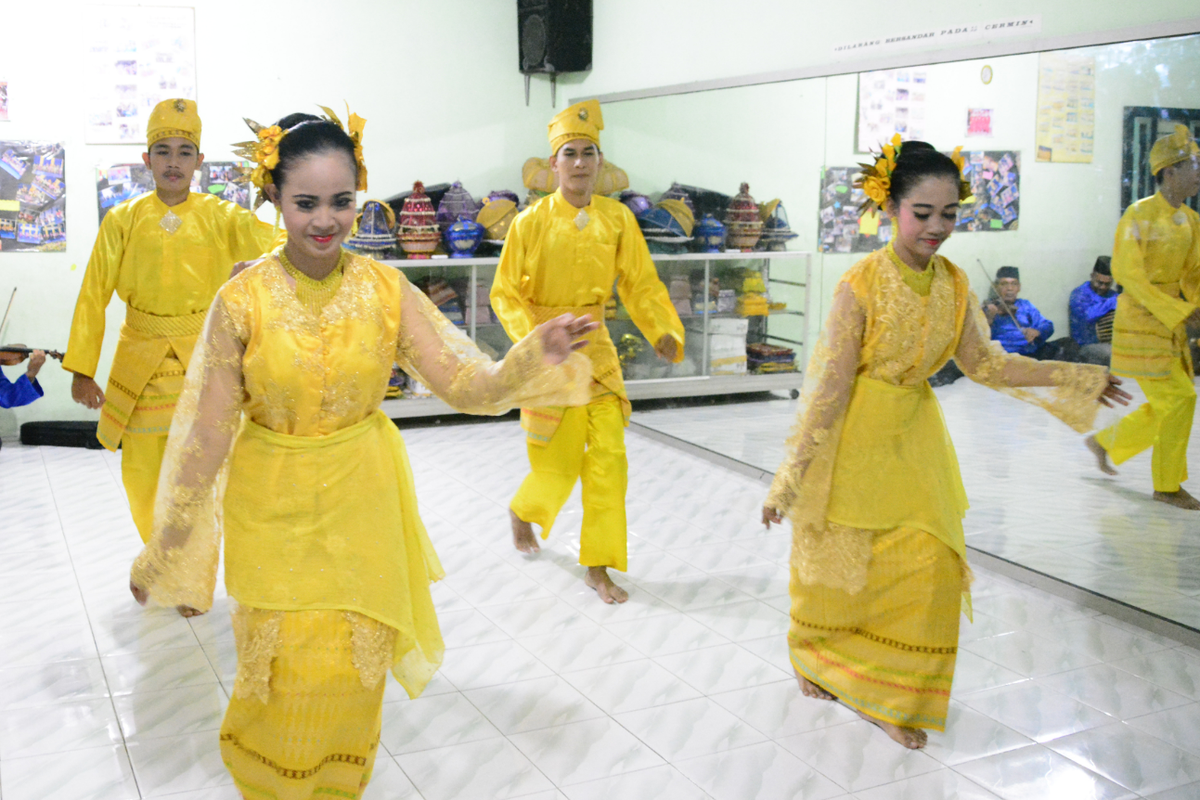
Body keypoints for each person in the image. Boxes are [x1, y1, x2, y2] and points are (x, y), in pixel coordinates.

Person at [128, 109, 594, 800]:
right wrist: (165, 549)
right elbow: (207, 437)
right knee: (283, 669)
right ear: (275, 201)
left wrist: (531, 358)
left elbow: (465, 383)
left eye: (342, 202)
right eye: (305, 203)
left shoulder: (385, 289)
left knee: (353, 666)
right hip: (270, 502)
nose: (325, 220)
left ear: (360, 197)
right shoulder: (242, 299)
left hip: (362, 498)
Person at [761, 138, 1128, 750]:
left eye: (950, 213)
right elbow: (827, 386)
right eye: (922, 213)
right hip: (856, 439)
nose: (937, 227)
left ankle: (895, 697)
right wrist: (790, 476)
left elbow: (985, 364)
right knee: (845, 564)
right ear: (891, 209)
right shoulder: (860, 284)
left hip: (917, 437)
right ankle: (821, 660)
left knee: (930, 567)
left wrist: (1075, 374)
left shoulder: (955, 284)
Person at [63, 98, 283, 547]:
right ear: (146, 160)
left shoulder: (222, 216)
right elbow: (93, 293)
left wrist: (297, 201)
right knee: (142, 471)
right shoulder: (122, 220)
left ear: (199, 161)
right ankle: (160, 557)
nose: (173, 162)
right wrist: (82, 370)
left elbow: (280, 243)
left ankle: (193, 567)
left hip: (205, 358)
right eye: (163, 150)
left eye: (185, 151)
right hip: (139, 364)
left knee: (202, 465)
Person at [491, 99, 685, 604]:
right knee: (556, 463)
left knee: (609, 461)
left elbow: (642, 284)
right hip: (550, 355)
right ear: (553, 165)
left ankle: (598, 565)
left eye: (589, 153)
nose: (579, 163)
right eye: (570, 153)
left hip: (597, 355)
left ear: (600, 162)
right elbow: (505, 293)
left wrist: (663, 330)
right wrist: (533, 344)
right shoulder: (528, 223)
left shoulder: (618, 220)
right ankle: (524, 510)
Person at [1086, 124, 1200, 510]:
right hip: (1141, 321)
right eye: (1193, 165)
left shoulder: (1191, 220)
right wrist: (1181, 310)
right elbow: (1128, 275)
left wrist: (1194, 307)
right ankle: (1166, 485)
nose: (1198, 173)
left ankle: (1106, 442)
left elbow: (1195, 273)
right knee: (1181, 398)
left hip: (1171, 323)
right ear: (1169, 172)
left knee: (1173, 402)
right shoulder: (1138, 215)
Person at [983, 266, 1058, 358]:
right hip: (1003, 355)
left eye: (1014, 284)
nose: (1009, 288)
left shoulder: (1025, 305)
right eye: (1004, 284)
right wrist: (989, 319)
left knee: (1067, 344)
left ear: (1019, 287)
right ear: (996, 287)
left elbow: (1048, 325)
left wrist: (1037, 332)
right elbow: (978, 337)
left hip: (1029, 353)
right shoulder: (989, 308)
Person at [1068, 256, 1119, 365]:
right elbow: (1088, 316)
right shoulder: (1079, 294)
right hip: (1084, 346)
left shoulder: (1112, 295)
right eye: (1099, 282)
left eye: (1107, 284)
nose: (1102, 287)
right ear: (1092, 276)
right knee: (1114, 354)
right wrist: (1113, 301)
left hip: (1111, 342)